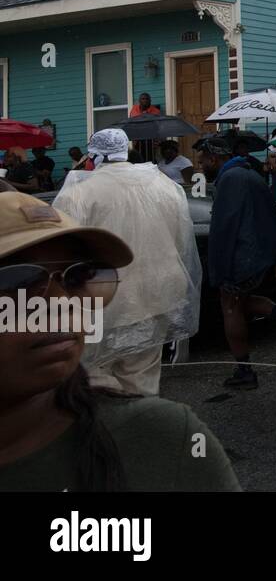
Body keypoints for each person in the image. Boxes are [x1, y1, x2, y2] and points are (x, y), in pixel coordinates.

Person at [0, 191, 240, 490]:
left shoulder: (164, 438)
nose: (62, 304)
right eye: (18, 282)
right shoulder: (160, 187)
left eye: (79, 277)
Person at [52, 128, 201, 397]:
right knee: (143, 374)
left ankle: (110, 433)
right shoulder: (166, 185)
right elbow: (181, 243)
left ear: (94, 155)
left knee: (94, 376)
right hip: (160, 294)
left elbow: (61, 255)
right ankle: (141, 426)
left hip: (104, 301)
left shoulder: (79, 193)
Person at [196, 134, 276, 389]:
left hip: (240, 258)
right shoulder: (250, 175)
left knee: (230, 306)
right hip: (256, 255)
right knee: (241, 302)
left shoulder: (229, 180)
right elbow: (273, 215)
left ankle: (245, 371)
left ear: (214, 158)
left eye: (203, 161)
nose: (200, 166)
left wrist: (218, 270)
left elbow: (224, 229)